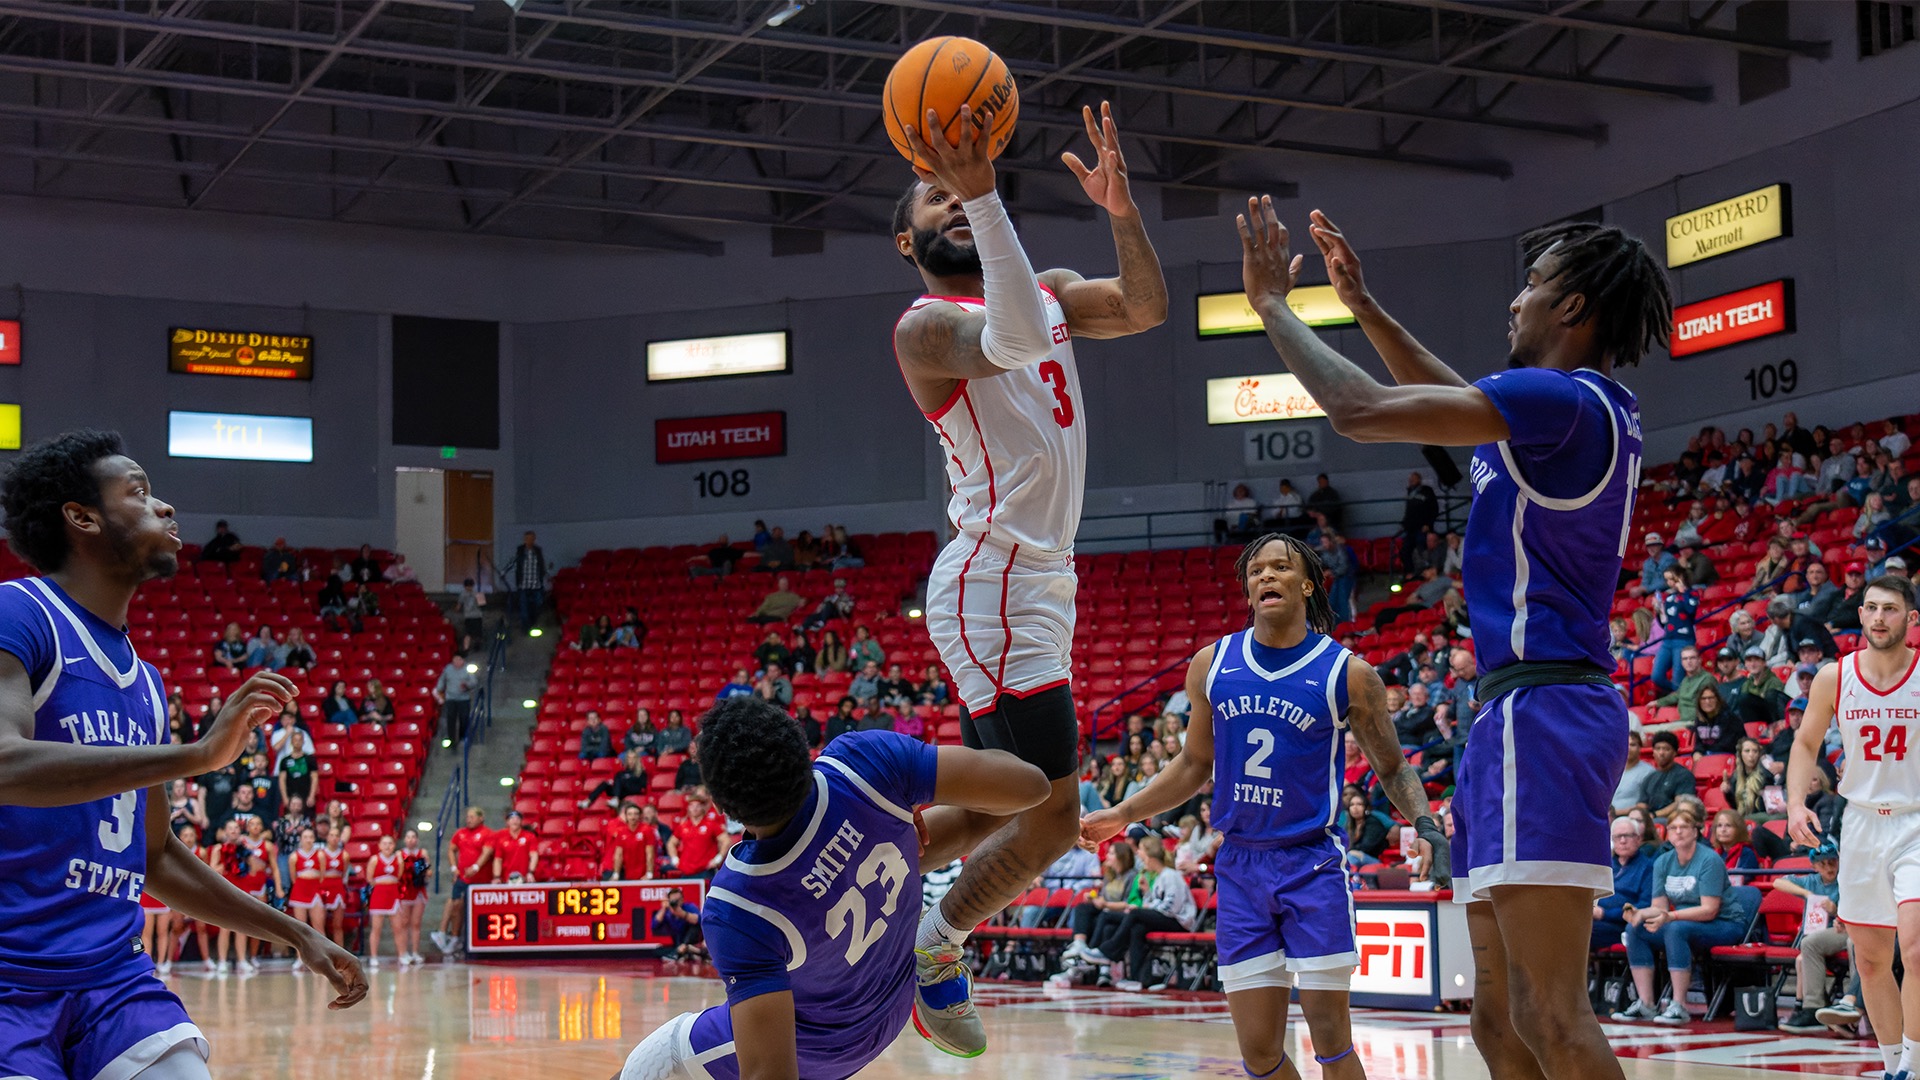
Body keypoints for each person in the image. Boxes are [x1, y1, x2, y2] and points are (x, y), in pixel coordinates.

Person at [1238, 205, 1670, 1078]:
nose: (1516, 302)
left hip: (1545, 711)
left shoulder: (1563, 401)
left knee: (1551, 1013)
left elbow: (1362, 409)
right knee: (1497, 1024)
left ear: (1574, 308)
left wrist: (1273, 308)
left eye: (1533, 286)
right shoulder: (1567, 413)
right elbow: (1444, 401)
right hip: (1518, 713)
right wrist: (1364, 306)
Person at [887, 97, 1168, 1056]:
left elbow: (1143, 308)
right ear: (906, 240)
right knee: (1051, 819)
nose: (951, 204)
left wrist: (1121, 213)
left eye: (955, 189)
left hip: (1041, 579)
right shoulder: (924, 328)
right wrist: (985, 195)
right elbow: (1007, 344)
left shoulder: (1044, 286)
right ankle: (932, 939)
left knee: (1008, 805)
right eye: (933, 196)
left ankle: (849, 871)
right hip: (995, 577)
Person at [0, 430, 366, 1077]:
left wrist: (295, 932)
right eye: (138, 493)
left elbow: (156, 855)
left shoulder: (145, 680)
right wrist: (195, 755)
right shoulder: (20, 614)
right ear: (81, 517)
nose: (166, 507)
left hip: (112, 979)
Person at [1083, 533, 1448, 1072]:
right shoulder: (1213, 663)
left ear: (1307, 584)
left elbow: (1391, 766)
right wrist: (1122, 813)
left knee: (1332, 1042)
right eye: (1256, 570)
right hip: (1240, 867)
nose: (1266, 577)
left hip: (1311, 864)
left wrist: (1426, 824)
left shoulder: (1347, 672)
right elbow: (1192, 765)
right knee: (1258, 1052)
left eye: (1280, 567)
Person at [616, 692, 1048, 1079]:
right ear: (799, 746)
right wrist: (902, 820)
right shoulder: (864, 761)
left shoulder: (738, 905)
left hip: (823, 1052)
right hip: (892, 1009)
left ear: (721, 803)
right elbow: (1032, 786)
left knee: (657, 1058)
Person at [1788, 573, 1920, 1080]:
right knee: (1869, 961)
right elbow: (1805, 744)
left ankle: (1913, 1061)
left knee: (1915, 945)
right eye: (1871, 608)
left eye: (1890, 608)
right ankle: (1892, 1066)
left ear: (1911, 619)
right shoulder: (1833, 676)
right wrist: (1797, 803)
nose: (1879, 617)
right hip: (1862, 823)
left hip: (1914, 820)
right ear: (1860, 615)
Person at [1611, 807, 1750, 1024]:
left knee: (1676, 929)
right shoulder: (1663, 862)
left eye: (1683, 827)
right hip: (1686, 922)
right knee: (1635, 929)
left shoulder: (1709, 860)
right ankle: (1646, 1003)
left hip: (1725, 923)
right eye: (1673, 828)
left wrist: (1671, 917)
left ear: (1696, 831)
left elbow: (1709, 909)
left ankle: (1678, 1005)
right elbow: (1659, 906)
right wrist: (1640, 913)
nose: (1678, 832)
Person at [430, 806, 497, 955]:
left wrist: (476, 866)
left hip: (480, 880)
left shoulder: (487, 834)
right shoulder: (460, 833)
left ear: (481, 818)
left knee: (472, 910)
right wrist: (454, 867)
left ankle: (462, 939)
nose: (469, 819)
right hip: (463, 877)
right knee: (455, 903)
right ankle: (452, 936)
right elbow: (451, 849)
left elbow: (487, 852)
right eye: (467, 817)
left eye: (472, 817)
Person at [1592, 815, 1656, 949]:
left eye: (1628, 836)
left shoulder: (1647, 867)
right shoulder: (1606, 865)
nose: (1622, 841)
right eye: (1617, 837)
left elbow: (1644, 905)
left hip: (1623, 925)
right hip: (1595, 919)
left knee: (1582, 931)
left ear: (1638, 839)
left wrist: (1605, 913)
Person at [364, 834, 402, 968]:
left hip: (393, 894)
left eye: (390, 843)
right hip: (379, 895)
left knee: (398, 927)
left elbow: (399, 876)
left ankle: (401, 955)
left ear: (394, 845)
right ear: (379, 846)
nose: (387, 846)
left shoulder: (399, 859)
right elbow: (369, 878)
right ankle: (373, 956)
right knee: (376, 928)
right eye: (384, 843)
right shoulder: (374, 860)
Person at [394, 829, 430, 965]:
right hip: (404, 890)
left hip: (418, 890)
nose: (410, 839)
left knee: (416, 923)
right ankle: (403, 953)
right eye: (408, 837)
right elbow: (398, 872)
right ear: (404, 839)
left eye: (413, 837)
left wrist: (422, 873)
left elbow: (429, 871)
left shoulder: (423, 853)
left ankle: (415, 952)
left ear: (417, 839)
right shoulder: (399, 854)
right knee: (403, 923)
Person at [434, 650, 478, 745]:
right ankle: (451, 738)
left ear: (463, 660)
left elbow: (474, 682)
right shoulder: (448, 669)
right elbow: (442, 680)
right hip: (451, 698)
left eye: (459, 659)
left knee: (464, 718)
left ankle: (462, 737)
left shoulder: (467, 669)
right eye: (455, 659)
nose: (457, 662)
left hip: (464, 699)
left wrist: (466, 684)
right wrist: (439, 689)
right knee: (450, 718)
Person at [492, 810, 538, 884]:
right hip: (506, 878)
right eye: (512, 819)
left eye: (517, 819)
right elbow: (498, 859)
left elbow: (534, 855)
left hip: (525, 878)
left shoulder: (529, 836)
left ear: (521, 822)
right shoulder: (501, 839)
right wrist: (497, 877)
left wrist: (531, 872)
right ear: (507, 822)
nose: (515, 821)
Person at [455, 578, 486, 644]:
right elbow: (482, 605)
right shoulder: (477, 593)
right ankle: (476, 644)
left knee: (469, 633)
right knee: (476, 633)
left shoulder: (463, 594)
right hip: (475, 615)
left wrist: (456, 610)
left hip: (471, 615)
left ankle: (469, 646)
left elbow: (459, 606)